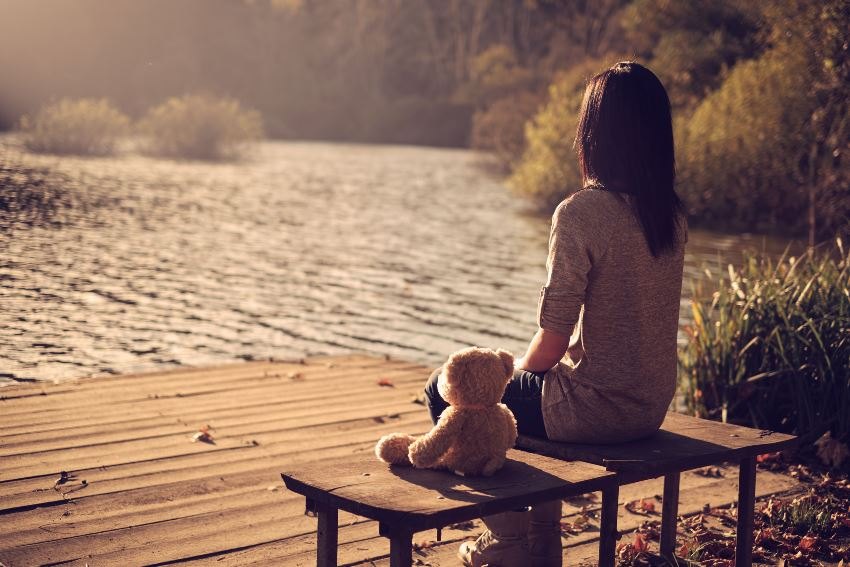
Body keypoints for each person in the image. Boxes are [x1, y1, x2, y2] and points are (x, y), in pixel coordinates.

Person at [424, 61, 687, 566]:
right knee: (521, 398)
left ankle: (508, 539)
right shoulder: (670, 215)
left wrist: (509, 381)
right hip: (649, 405)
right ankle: (543, 539)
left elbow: (549, 341)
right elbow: (628, 320)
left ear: (595, 134)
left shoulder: (581, 212)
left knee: (446, 388)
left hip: (594, 411)